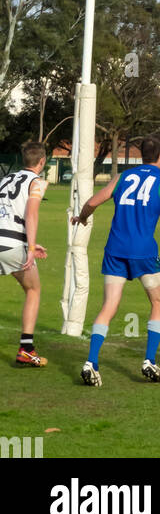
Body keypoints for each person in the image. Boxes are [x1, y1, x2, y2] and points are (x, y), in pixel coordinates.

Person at [73, 134, 160, 387]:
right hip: (144, 253)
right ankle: (149, 360)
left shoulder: (122, 177)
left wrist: (82, 218)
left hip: (115, 251)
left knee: (109, 306)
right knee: (158, 302)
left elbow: (91, 202)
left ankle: (91, 361)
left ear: (140, 154)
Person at [0, 141, 49, 367]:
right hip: (11, 245)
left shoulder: (5, 179)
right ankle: (26, 349)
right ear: (42, 161)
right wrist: (30, 247)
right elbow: (31, 215)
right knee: (33, 289)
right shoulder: (37, 181)